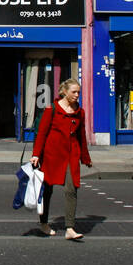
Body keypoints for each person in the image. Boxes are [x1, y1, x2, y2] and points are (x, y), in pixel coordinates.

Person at [31, 78, 93, 241]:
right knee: (47, 191)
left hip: (71, 156)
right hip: (52, 156)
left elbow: (81, 136)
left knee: (71, 190)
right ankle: (43, 223)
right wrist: (36, 154)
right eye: (74, 92)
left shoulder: (80, 112)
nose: (77, 95)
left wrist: (85, 158)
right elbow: (42, 133)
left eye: (78, 92)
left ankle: (70, 228)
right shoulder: (51, 109)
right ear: (64, 92)